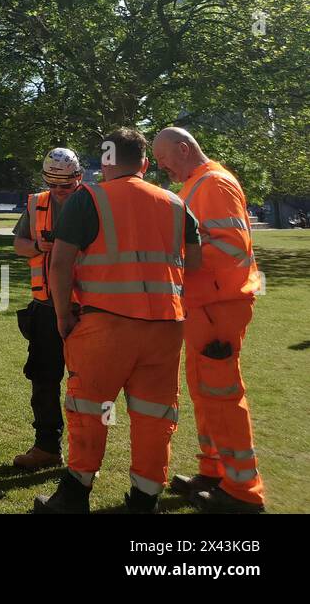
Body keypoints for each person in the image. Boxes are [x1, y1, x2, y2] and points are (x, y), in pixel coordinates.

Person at [35, 127, 199, 514]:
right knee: (154, 416)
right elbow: (192, 264)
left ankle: (74, 495)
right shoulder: (178, 204)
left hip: (104, 327)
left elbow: (59, 264)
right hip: (165, 328)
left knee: (90, 410)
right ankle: (144, 499)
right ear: (144, 163)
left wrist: (61, 315)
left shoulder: (87, 199)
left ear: (103, 162)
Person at [152, 127, 266, 513]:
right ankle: (214, 471)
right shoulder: (196, 185)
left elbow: (231, 248)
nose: (161, 165)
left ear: (183, 150)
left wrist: (175, 255)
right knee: (205, 391)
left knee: (222, 393)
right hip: (205, 304)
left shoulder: (213, 184)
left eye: (164, 157)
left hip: (219, 304)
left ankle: (244, 490)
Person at [10, 147, 83, 470]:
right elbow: (18, 245)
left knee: (89, 383)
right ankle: (47, 447)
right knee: (43, 379)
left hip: (86, 308)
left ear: (78, 178)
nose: (58, 192)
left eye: (65, 186)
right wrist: (39, 246)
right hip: (44, 307)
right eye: (52, 185)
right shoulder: (36, 203)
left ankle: (86, 452)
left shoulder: (93, 202)